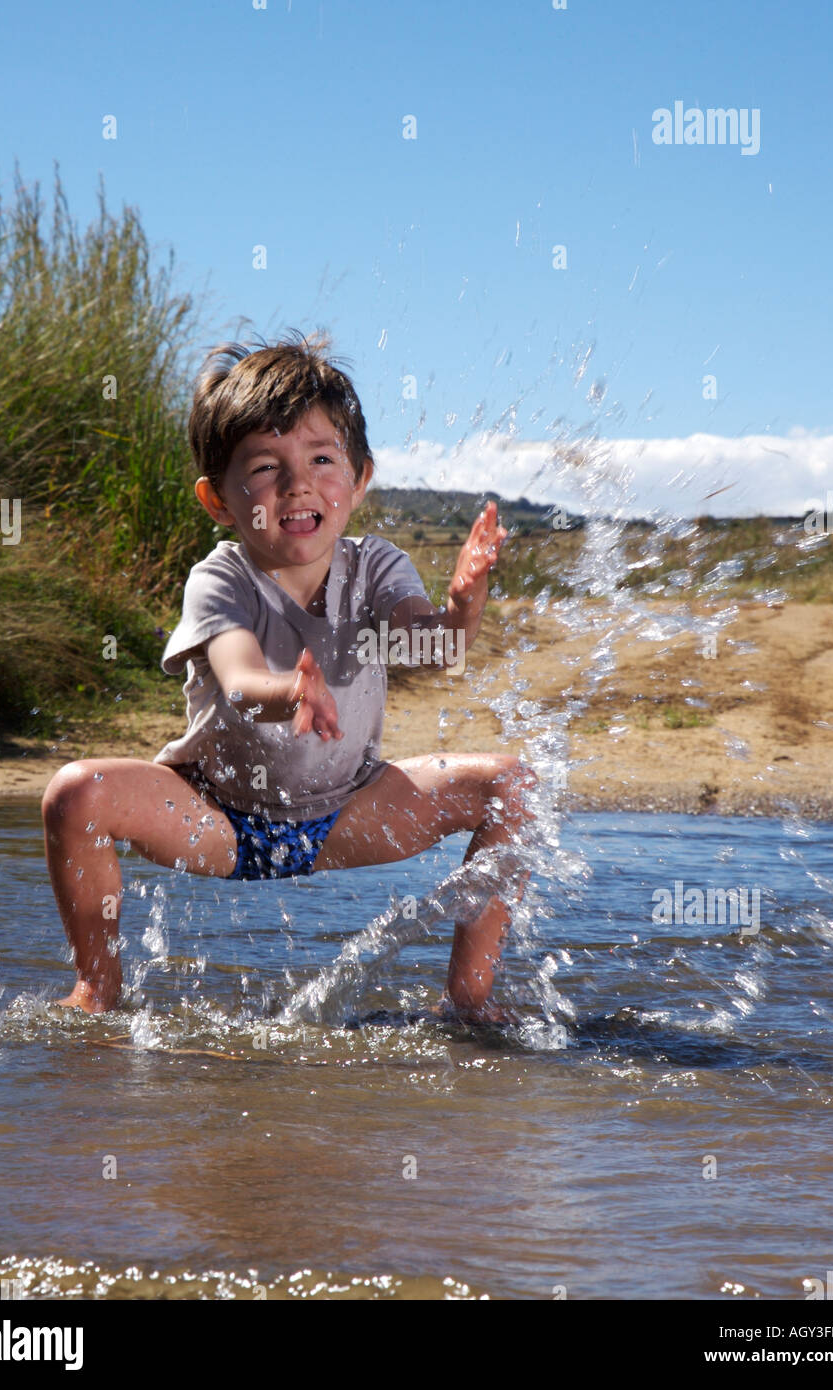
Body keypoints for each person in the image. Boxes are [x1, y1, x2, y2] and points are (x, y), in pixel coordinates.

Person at [42, 331, 536, 1020]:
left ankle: (471, 996)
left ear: (360, 478)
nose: (298, 483)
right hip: (217, 818)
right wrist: (290, 691)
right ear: (218, 499)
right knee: (76, 794)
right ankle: (97, 989)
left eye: (321, 459)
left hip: (347, 812)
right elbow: (240, 678)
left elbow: (431, 652)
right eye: (266, 466)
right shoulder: (220, 578)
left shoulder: (377, 568)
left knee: (510, 784)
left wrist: (461, 607)